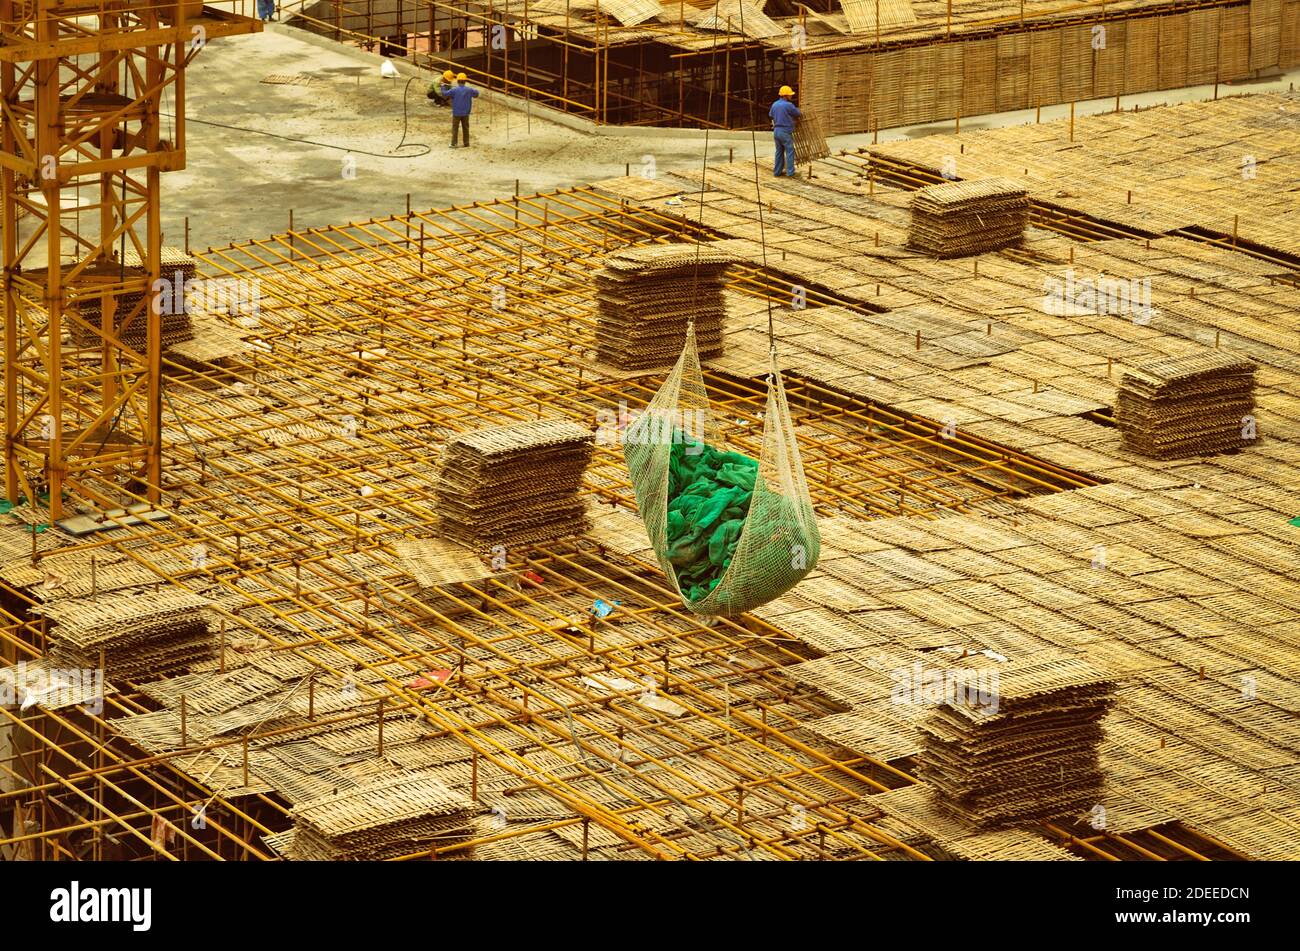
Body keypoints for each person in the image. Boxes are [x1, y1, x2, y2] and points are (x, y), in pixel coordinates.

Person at [440, 72, 480, 149]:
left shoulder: (454, 90)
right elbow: (477, 94)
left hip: (456, 113)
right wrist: (473, 91)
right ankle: (466, 143)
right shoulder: (469, 90)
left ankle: (454, 144)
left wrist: (442, 86)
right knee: (466, 128)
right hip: (466, 113)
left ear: (457, 81)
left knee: (455, 128)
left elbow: (444, 94)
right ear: (465, 81)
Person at [769, 85, 800, 178]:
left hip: (776, 131)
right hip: (785, 131)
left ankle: (777, 172)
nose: (791, 96)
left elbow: (770, 114)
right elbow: (797, 114)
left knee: (779, 151)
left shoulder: (774, 104)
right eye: (790, 95)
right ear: (786, 96)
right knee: (790, 150)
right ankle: (790, 172)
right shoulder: (788, 105)